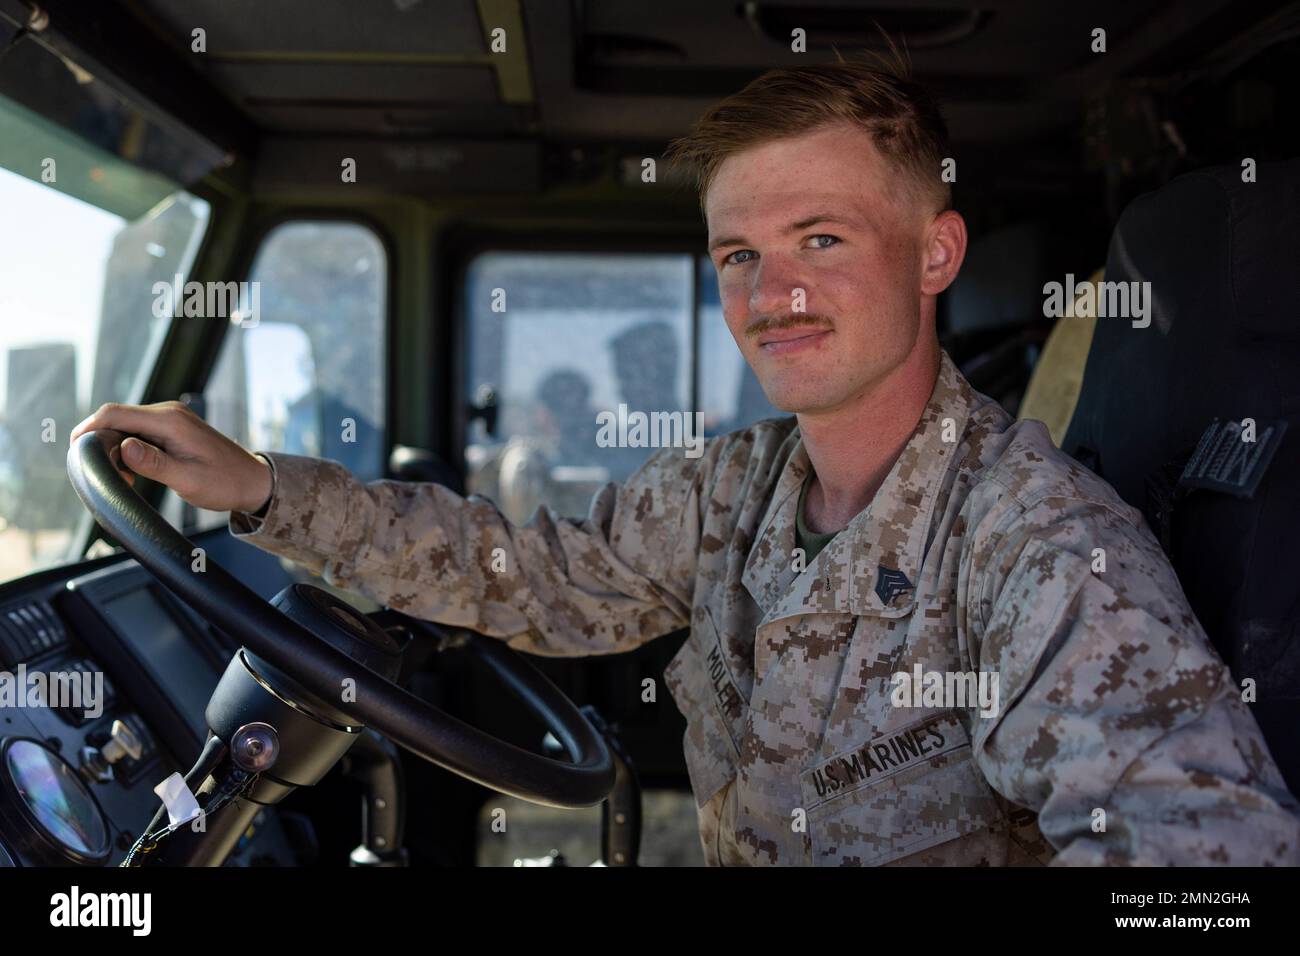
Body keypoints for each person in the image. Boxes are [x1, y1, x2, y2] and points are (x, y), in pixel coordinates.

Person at [70, 50, 1300, 866]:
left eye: (821, 236)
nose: (775, 294)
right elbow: (525, 571)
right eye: (738, 256)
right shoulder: (734, 486)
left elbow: (1204, 859)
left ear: (936, 254)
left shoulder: (1035, 545)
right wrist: (267, 490)